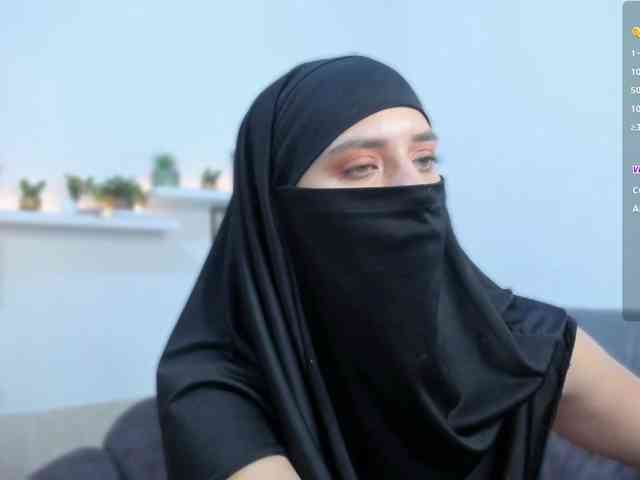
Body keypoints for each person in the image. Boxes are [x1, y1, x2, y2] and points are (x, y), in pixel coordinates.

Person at [155, 54, 640, 480]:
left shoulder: (518, 341)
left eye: (425, 159)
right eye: (362, 167)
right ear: (277, 206)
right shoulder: (211, 387)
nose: (413, 187)